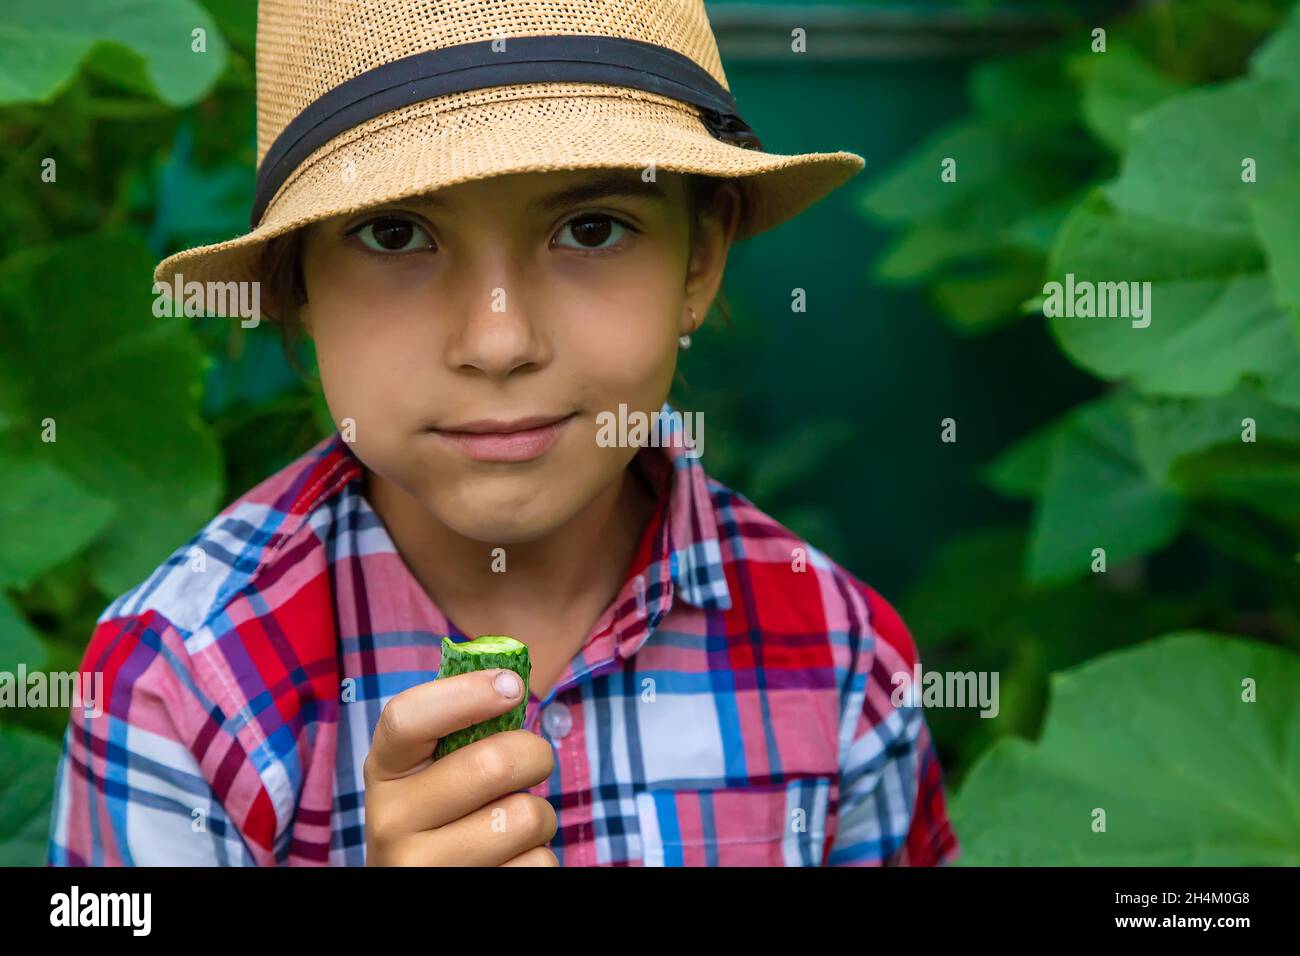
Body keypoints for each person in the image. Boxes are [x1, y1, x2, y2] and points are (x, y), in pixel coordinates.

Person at [48, 0, 958, 866]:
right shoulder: (178, 687)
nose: (498, 341)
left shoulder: (840, 659)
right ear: (297, 290)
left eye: (592, 228)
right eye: (395, 234)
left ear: (699, 261)